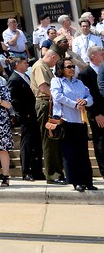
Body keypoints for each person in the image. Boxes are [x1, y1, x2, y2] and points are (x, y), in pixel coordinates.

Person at [52, 58, 95, 192]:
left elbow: (90, 97)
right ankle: (75, 181)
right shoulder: (57, 81)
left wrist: (85, 102)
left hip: (80, 120)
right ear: (61, 69)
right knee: (70, 152)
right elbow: (57, 96)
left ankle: (87, 180)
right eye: (68, 67)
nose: (72, 69)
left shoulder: (79, 82)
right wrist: (74, 104)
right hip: (66, 120)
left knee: (83, 152)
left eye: (73, 66)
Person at [31, 47, 66, 184]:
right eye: (57, 60)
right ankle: (52, 174)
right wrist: (61, 98)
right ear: (53, 56)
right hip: (45, 104)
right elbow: (43, 88)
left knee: (54, 138)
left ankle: (57, 171)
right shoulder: (40, 66)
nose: (56, 64)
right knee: (49, 139)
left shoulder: (44, 66)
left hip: (50, 104)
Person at [8, 57, 44, 181]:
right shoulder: (14, 79)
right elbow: (14, 100)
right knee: (27, 144)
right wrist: (22, 115)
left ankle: (36, 170)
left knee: (35, 143)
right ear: (17, 64)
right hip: (26, 116)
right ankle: (26, 170)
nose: (27, 64)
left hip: (33, 115)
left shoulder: (26, 77)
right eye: (24, 63)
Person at [78, 46, 104, 176]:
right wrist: (96, 114)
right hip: (97, 113)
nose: (103, 56)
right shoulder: (85, 74)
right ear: (93, 56)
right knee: (100, 141)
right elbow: (87, 96)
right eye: (102, 54)